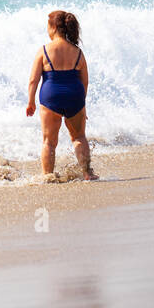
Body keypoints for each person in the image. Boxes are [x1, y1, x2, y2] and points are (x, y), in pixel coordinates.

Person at [26, 10, 97, 181]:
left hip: (51, 96)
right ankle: (87, 173)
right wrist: (81, 104)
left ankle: (48, 176)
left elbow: (33, 80)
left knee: (49, 142)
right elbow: (84, 82)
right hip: (75, 95)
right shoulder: (78, 52)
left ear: (54, 27)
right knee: (79, 137)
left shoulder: (44, 51)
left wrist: (31, 102)